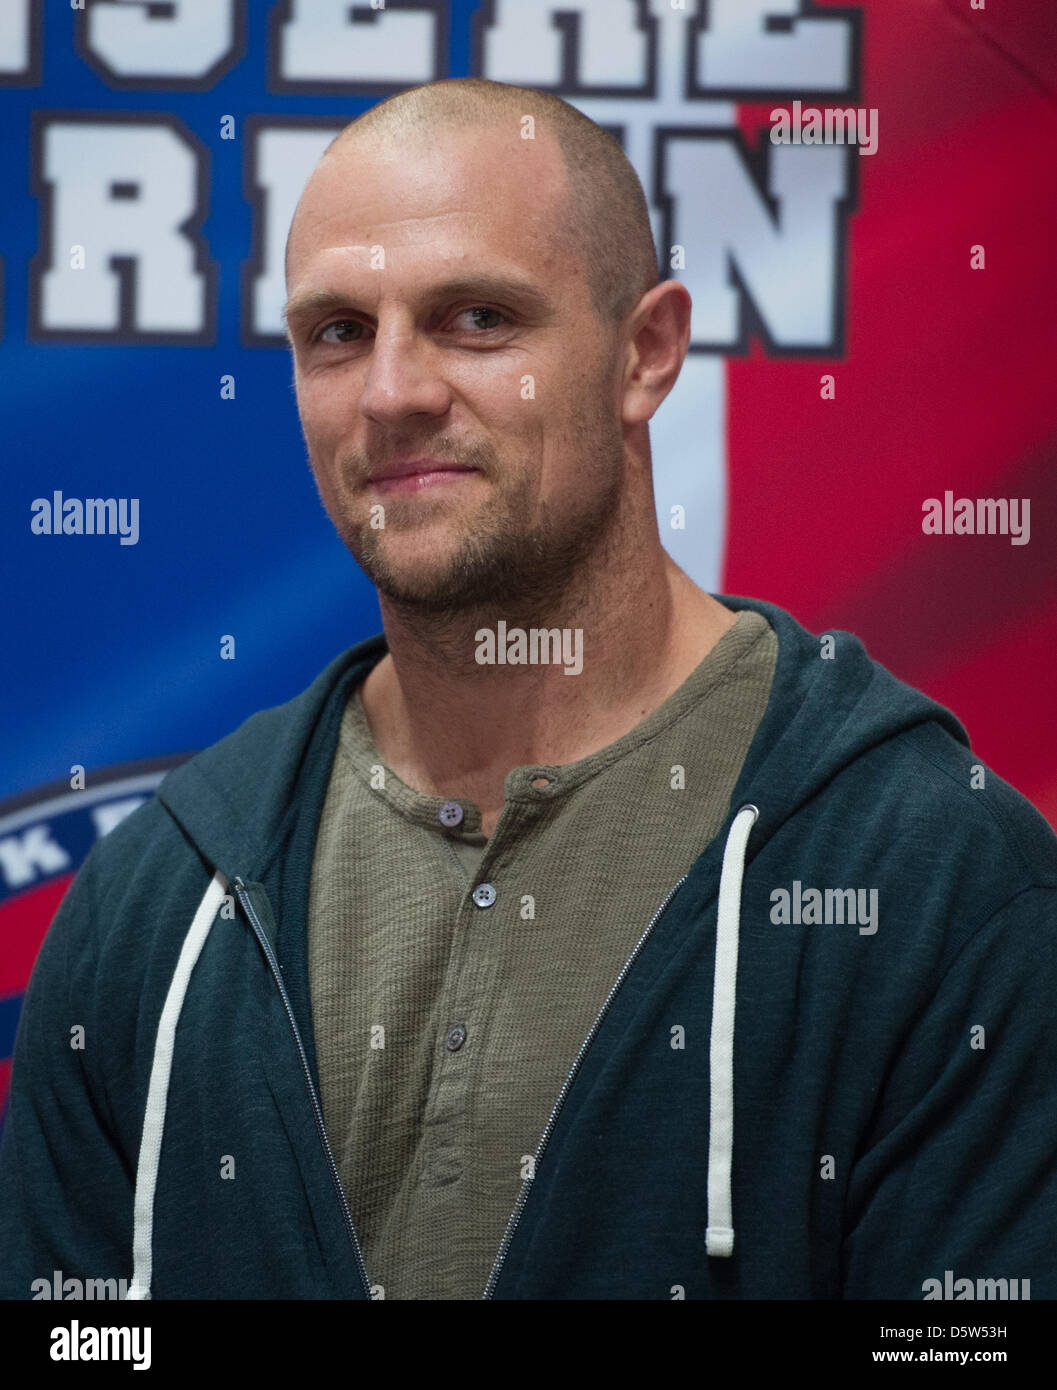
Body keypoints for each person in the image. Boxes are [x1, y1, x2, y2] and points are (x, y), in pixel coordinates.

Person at [2, 77, 1055, 1302]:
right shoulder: (158, 908)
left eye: (476, 318)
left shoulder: (934, 880)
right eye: (337, 332)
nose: (392, 390)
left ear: (645, 353)